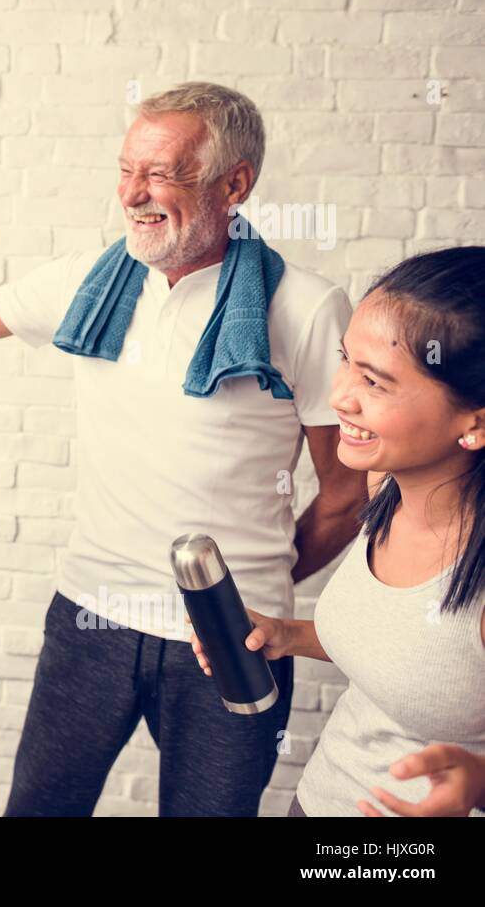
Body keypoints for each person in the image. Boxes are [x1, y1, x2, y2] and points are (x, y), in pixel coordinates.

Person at [0, 82, 369, 816]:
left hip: (230, 642)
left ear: (235, 183)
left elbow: (345, 497)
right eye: (126, 170)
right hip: (91, 618)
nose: (134, 195)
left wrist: (243, 596)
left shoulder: (305, 309)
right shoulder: (94, 281)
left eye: (163, 174)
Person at [193, 247, 485, 817]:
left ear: (474, 422)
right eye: (346, 360)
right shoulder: (382, 487)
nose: (339, 396)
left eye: (374, 382)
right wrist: (287, 634)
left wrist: (478, 784)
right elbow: (418, 655)